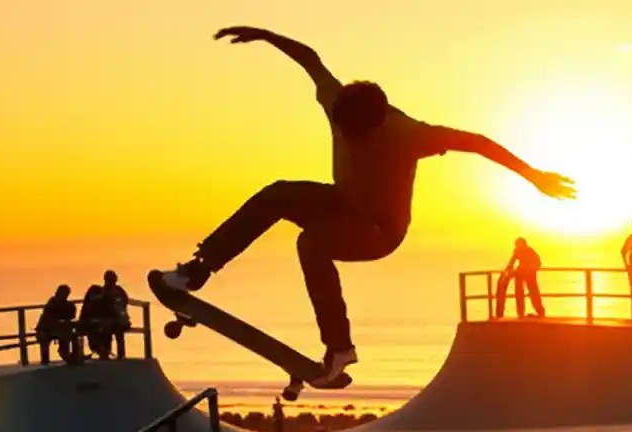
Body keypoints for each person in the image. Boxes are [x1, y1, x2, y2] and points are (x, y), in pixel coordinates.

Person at [160, 26, 575, 388]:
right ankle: (199, 269)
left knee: (312, 244)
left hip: (380, 229)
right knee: (278, 193)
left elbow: (478, 144)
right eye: (343, 133)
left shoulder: (411, 134)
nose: (349, 141)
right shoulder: (337, 101)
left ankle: (339, 348)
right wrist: (266, 37)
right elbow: (311, 60)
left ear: (378, 125)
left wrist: (534, 175)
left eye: (358, 137)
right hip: (341, 203)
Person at [498, 237, 544, 318]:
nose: (517, 246)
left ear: (524, 244)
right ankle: (520, 313)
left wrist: (531, 267)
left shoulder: (530, 251)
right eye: (516, 245)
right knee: (519, 293)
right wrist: (507, 271)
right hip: (520, 273)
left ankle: (540, 311)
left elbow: (538, 263)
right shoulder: (517, 251)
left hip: (530, 274)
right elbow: (511, 262)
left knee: (534, 293)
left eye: (518, 245)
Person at [35, 284, 77, 365]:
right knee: (44, 337)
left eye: (66, 295)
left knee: (70, 334)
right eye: (63, 294)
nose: (64, 296)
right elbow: (47, 321)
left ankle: (68, 355)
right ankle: (45, 361)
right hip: (45, 330)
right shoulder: (52, 303)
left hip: (58, 329)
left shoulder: (67, 305)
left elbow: (71, 316)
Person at [102, 270, 131, 359]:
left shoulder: (118, 290)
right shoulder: (103, 290)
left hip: (118, 320)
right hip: (108, 319)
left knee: (117, 332)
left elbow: (125, 301)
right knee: (106, 331)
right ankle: (106, 352)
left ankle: (119, 354)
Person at [79, 285, 113, 360]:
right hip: (90, 325)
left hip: (101, 324)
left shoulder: (104, 302)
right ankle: (101, 350)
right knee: (94, 331)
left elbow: (109, 314)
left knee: (105, 330)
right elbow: (83, 317)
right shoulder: (89, 305)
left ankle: (104, 350)